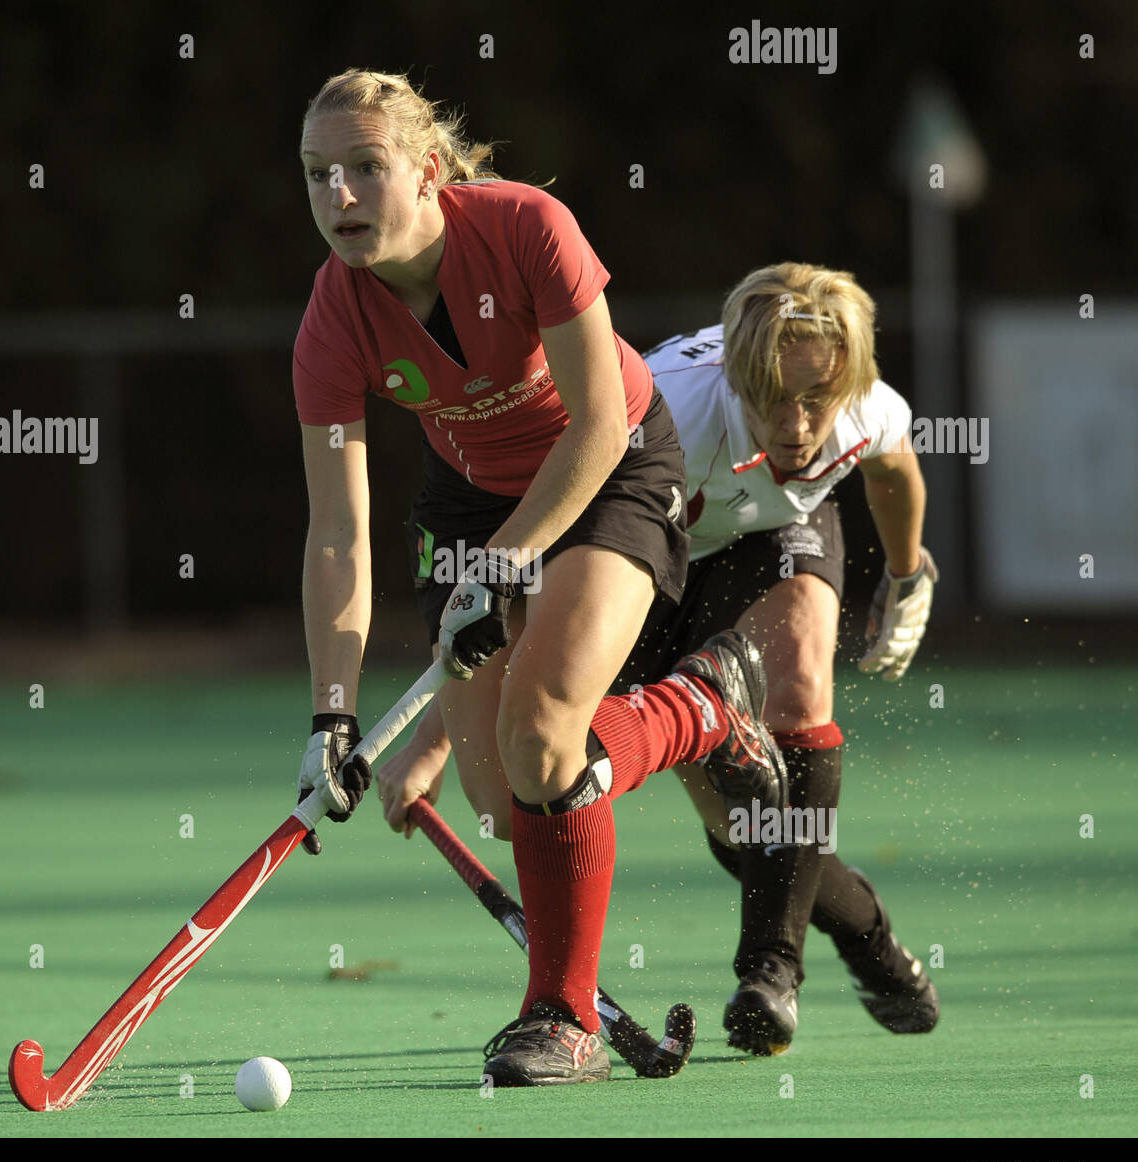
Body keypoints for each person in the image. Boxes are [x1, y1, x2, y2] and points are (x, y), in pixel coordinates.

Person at [293, 69, 786, 1087]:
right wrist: (331, 720)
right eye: (316, 175)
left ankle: (563, 1018)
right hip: (469, 501)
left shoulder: (527, 229)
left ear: (427, 171)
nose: (337, 196)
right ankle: (698, 709)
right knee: (502, 791)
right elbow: (339, 533)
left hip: (609, 465)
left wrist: (512, 560)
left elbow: (600, 422)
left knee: (545, 730)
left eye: (363, 169)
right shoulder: (332, 321)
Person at [378, 262, 940, 1056]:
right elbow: (529, 574)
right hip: (649, 562)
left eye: (816, 398)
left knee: (804, 687)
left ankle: (770, 974)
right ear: (737, 374)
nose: (796, 422)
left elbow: (893, 470)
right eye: (772, 394)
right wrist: (438, 736)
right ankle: (870, 937)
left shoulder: (863, 405)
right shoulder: (668, 404)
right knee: (741, 827)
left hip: (773, 544)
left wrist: (908, 575)